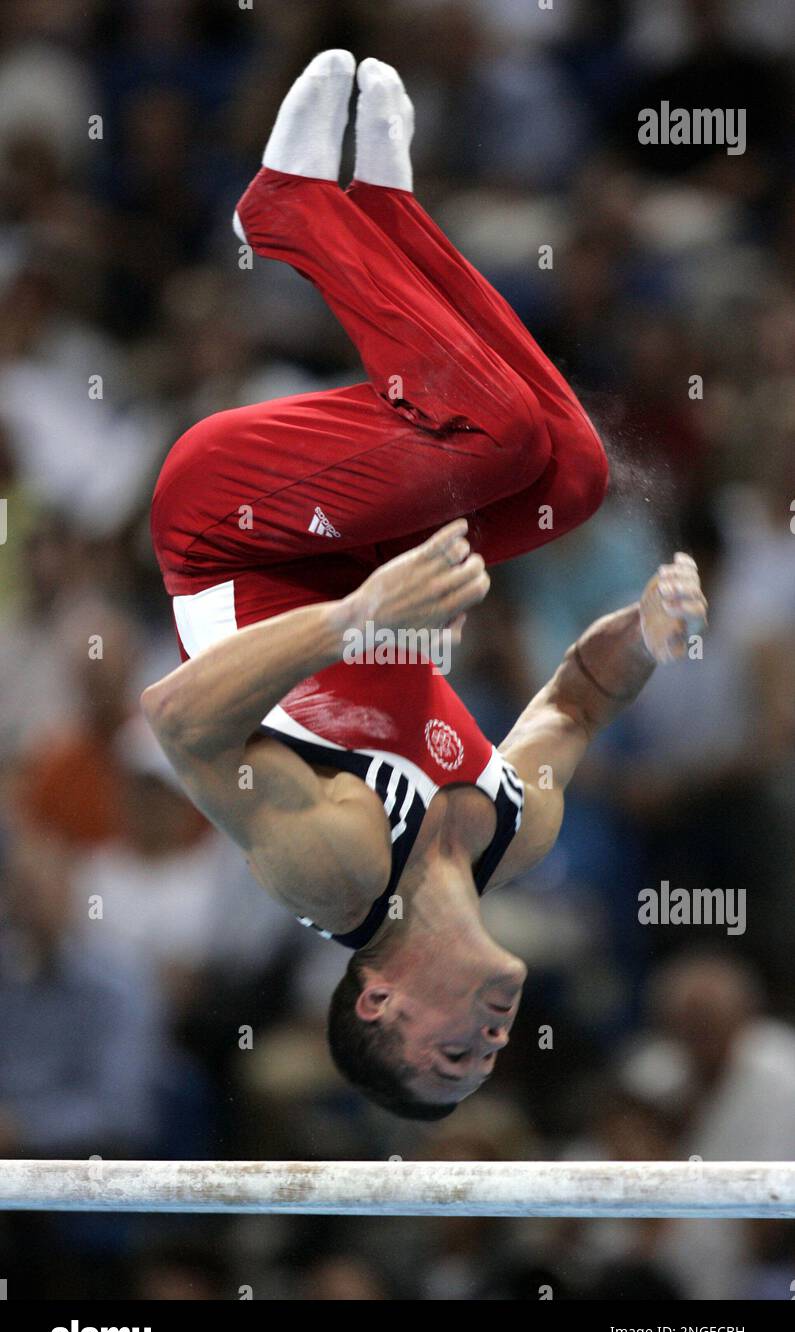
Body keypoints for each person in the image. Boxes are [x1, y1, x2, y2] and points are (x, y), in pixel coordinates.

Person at [144, 53, 707, 1118]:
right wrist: (646, 626)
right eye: (484, 1065)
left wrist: (356, 618)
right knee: (571, 475)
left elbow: (176, 721)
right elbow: (579, 699)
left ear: (380, 1002)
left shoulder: (336, 867)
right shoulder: (514, 830)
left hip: (230, 532)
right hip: (351, 547)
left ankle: (289, 211)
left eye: (451, 1056)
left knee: (491, 436)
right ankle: (390, 212)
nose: (488, 1047)